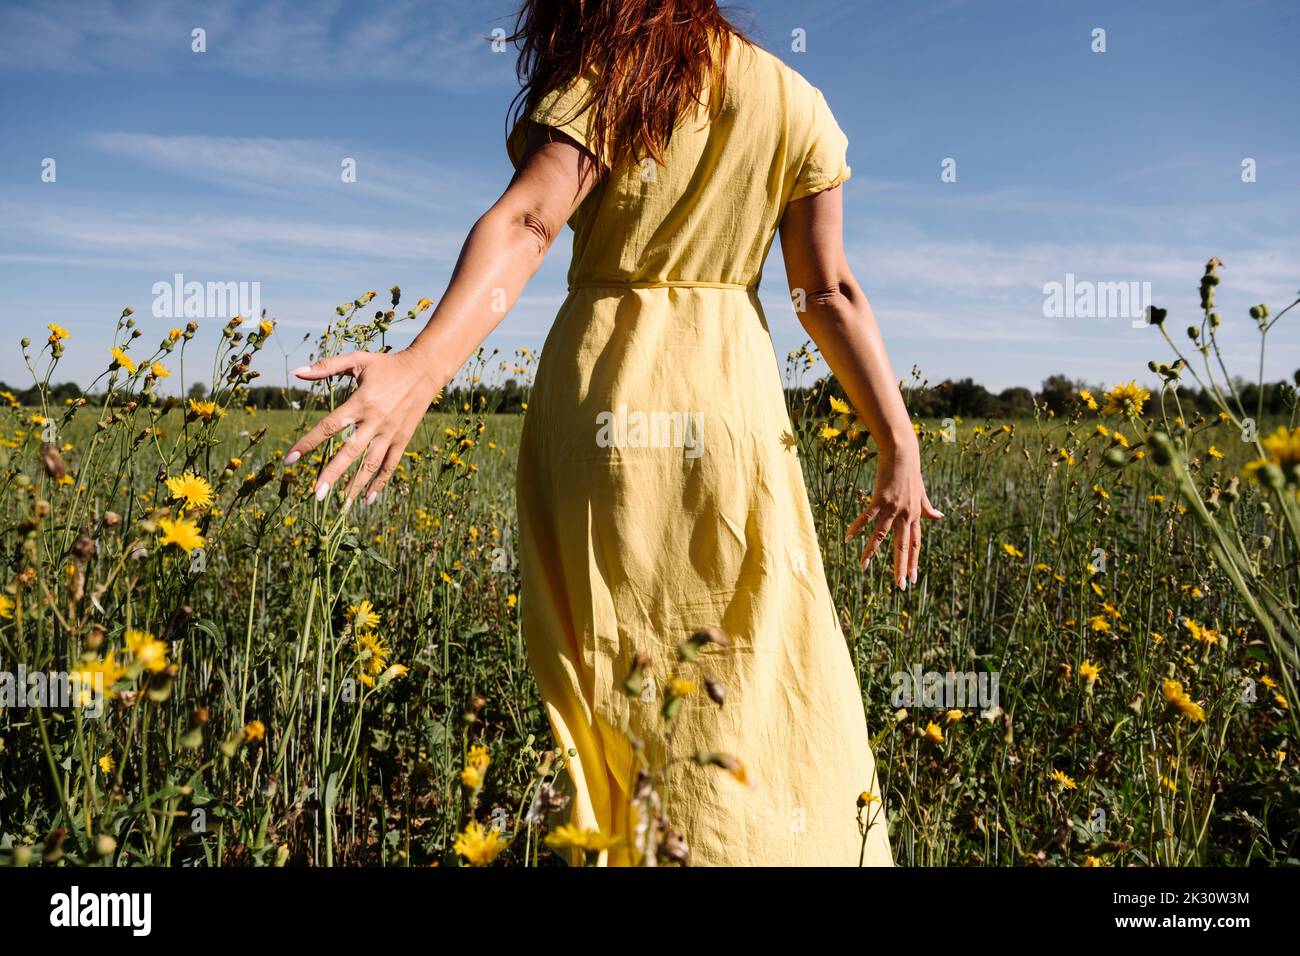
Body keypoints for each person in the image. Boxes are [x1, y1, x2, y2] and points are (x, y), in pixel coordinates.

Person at [285, 0, 940, 866]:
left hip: (610, 394)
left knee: (605, 659)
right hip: (733, 397)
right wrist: (899, 440)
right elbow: (829, 294)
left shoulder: (620, 70)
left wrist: (425, 364)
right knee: (753, 652)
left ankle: (630, 848)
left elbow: (529, 221)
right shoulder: (797, 100)